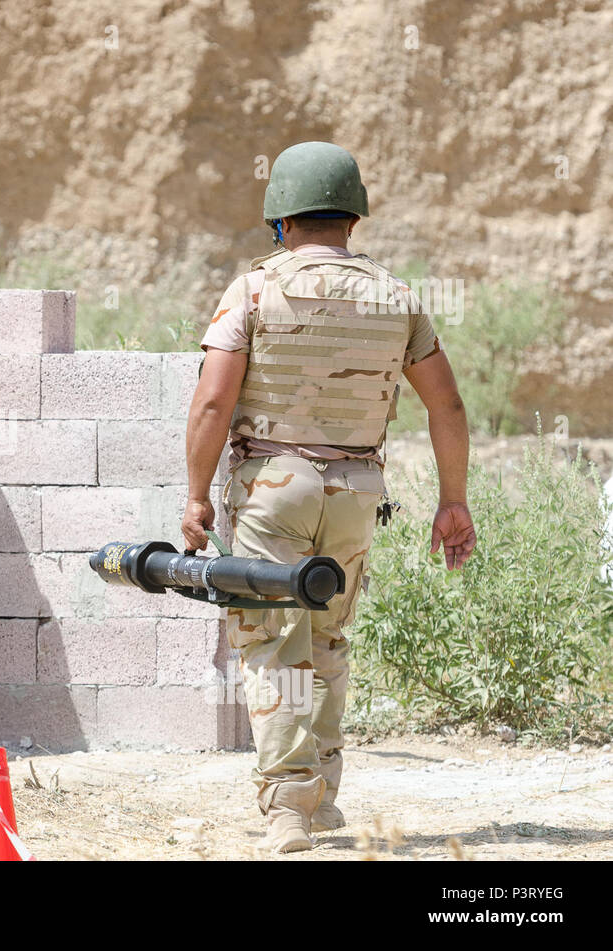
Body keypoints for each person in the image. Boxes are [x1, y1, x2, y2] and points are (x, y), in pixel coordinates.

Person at [183, 141, 476, 853]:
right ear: (354, 219)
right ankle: (322, 796)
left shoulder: (252, 290)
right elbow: (448, 406)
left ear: (280, 221)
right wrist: (453, 499)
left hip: (272, 491)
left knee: (274, 642)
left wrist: (194, 498)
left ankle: (287, 806)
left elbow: (214, 403)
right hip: (354, 491)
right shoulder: (396, 295)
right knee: (327, 638)